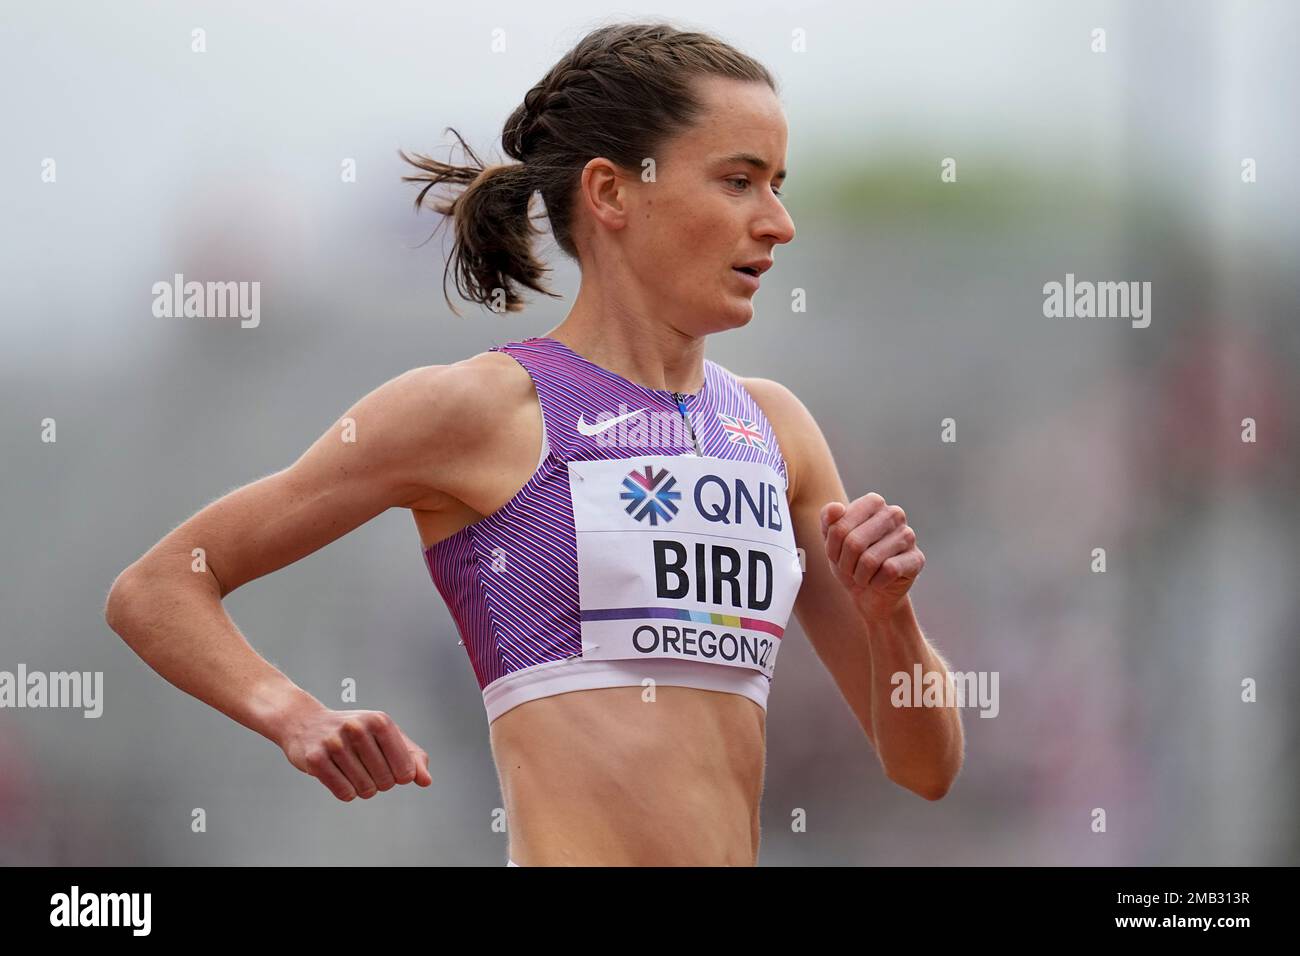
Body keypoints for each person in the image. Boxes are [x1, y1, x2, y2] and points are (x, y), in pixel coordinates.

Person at [105, 22, 963, 867]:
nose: (778, 222)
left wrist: (891, 619)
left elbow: (925, 767)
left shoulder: (777, 430)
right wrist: (293, 714)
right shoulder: (482, 409)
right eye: (739, 181)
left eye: (778, 184)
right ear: (612, 192)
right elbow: (157, 589)